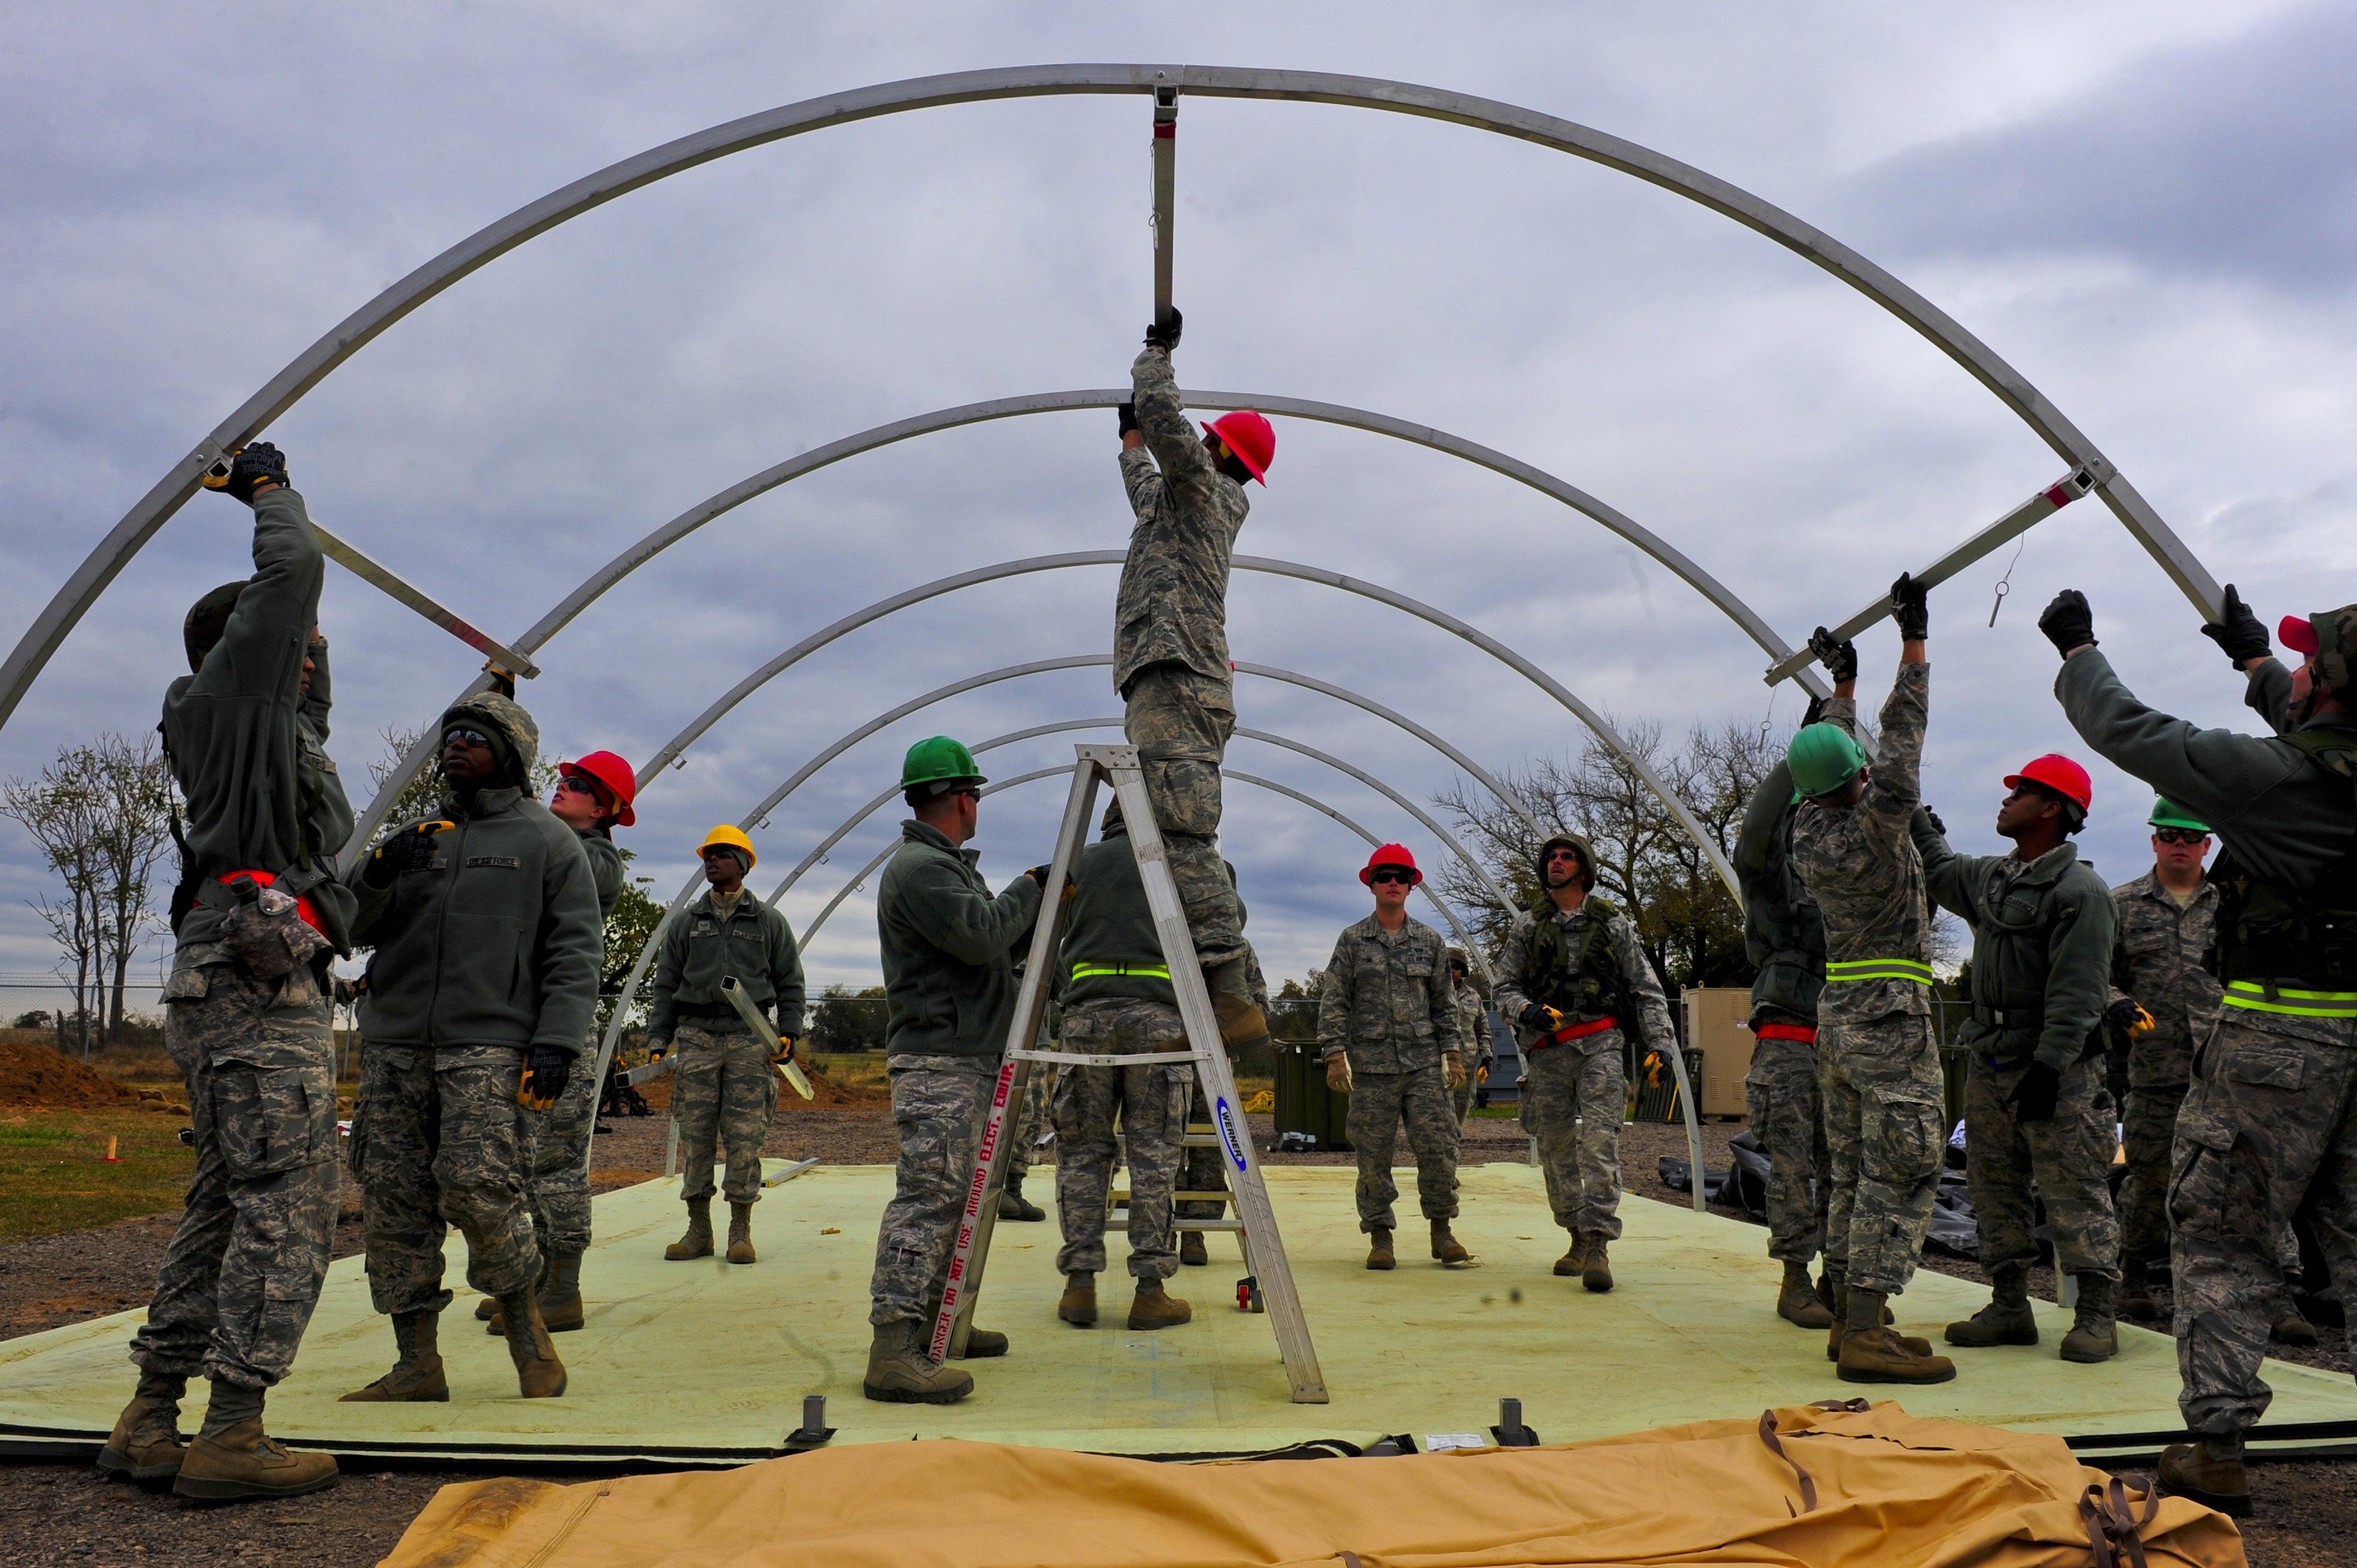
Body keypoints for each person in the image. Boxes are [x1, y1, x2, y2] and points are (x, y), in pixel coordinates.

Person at [2035, 584, 2357, 1515]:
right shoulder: (2311, 754)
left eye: (2309, 662)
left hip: (2276, 1040)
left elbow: (2126, 728)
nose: (2293, 673)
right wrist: (2253, 662)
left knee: (2224, 1234)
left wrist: (2077, 649)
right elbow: (2317, 713)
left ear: (2327, 685)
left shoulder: (2267, 783)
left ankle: (2216, 1446)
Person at [106, 443, 347, 1499]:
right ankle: (235, 1432)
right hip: (254, 987)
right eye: (298, 654)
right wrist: (267, 490)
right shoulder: (229, 696)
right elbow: (291, 577)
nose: (306, 661)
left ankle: (152, 1417)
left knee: (224, 1194)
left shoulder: (257, 735)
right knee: (291, 1201)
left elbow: (311, 728)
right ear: (247, 652)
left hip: (226, 972)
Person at [338, 694, 602, 1404]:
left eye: (474, 737)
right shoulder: (416, 837)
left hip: (487, 1050)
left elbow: (575, 953)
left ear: (510, 753)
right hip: (396, 1049)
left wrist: (556, 1042)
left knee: (481, 1195)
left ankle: (527, 1334)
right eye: (449, 735)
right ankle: (416, 1363)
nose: (454, 746)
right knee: (393, 1203)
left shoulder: (549, 843)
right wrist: (379, 869)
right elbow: (351, 926)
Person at [1785, 575, 1955, 1385]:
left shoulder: (1808, 829)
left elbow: (1843, 752)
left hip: (1841, 1017)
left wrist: (1841, 687)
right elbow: (1901, 743)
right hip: (1893, 1017)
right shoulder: (1882, 828)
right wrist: (1912, 645)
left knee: (1853, 1169)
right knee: (1904, 1165)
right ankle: (1863, 1334)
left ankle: (1859, 1317)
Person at [1915, 755, 2123, 1364]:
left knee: (2073, 1188)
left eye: (2021, 793)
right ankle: (2008, 1304)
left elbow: (2080, 990)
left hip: (2054, 1069)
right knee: (1992, 1185)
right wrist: (1917, 823)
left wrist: (2051, 1067)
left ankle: (2094, 1314)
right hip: (1993, 1062)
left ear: (2052, 808)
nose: (2006, 802)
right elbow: (1941, 871)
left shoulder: (2080, 893)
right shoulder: (1996, 879)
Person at [862, 737, 1049, 1404]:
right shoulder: (921, 870)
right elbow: (977, 934)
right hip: (939, 1062)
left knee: (957, 1199)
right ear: (961, 798)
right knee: (930, 1200)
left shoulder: (943, 867)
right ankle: (893, 1349)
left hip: (963, 1056)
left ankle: (937, 1332)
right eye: (975, 793)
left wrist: (1030, 913)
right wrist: (1030, 889)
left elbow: (985, 949)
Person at [1115, 307, 1276, 1051]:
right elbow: (1144, 491)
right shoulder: (1182, 503)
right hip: (1165, 672)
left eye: (1206, 440)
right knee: (1140, 826)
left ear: (1216, 450)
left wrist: (1157, 355)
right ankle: (1200, 972)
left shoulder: (1207, 492)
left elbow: (1161, 410)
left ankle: (1231, 980)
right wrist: (1129, 443)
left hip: (1180, 675)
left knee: (1180, 830)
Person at [477, 750, 634, 1337]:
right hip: (517, 1018)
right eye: (561, 781)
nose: (560, 790)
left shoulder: (595, 862)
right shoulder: (547, 845)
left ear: (603, 808)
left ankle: (563, 1289)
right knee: (514, 1156)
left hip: (560, 1027)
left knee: (558, 1159)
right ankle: (534, 1276)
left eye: (576, 786)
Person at [1493, 834, 1673, 1293]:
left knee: (1599, 1142)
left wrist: (1661, 1045)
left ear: (1584, 869)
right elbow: (1503, 986)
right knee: (1554, 1147)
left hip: (1601, 1045)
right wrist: (1524, 1010)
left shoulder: (1614, 924)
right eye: (1551, 857)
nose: (1556, 862)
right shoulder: (1528, 926)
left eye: (1566, 857)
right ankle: (1574, 1233)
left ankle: (1597, 1242)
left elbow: (1645, 988)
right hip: (1548, 1050)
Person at [1051, 797, 1197, 1331]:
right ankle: (1150, 1291)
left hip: (1085, 1020)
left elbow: (1046, 926)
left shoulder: (1079, 863)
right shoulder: (1177, 866)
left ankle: (1080, 1285)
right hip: (1156, 1023)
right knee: (1155, 1154)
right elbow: (1229, 916)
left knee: (1083, 1152)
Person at [644, 824, 806, 1266]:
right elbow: (666, 983)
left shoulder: (768, 922)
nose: (711, 861)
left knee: (744, 1136)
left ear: (744, 864)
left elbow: (790, 981)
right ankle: (699, 1231)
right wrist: (659, 1038)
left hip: (749, 1039)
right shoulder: (687, 924)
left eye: (722, 854)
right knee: (695, 1137)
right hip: (697, 1036)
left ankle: (741, 1229)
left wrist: (789, 1031)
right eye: (708, 855)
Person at [1317, 845, 1470, 1271]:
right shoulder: (1352, 940)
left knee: (1439, 1148)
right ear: (1372, 883)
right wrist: (1334, 1055)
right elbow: (1334, 1002)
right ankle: (1380, 1237)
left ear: (1411, 885)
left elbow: (1445, 1004)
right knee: (1372, 1155)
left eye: (1401, 877)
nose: (1393, 883)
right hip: (1370, 1068)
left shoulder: (1430, 941)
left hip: (1423, 1066)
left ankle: (1443, 1231)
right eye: (1385, 876)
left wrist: (1453, 1055)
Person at [1732, 719, 1835, 1330]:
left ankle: (1839, 1277)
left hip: (1850, 1045)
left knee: (1849, 1168)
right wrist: (1797, 763)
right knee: (1794, 1168)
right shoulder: (1773, 884)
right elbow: (1752, 842)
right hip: (1791, 1042)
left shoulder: (1851, 874)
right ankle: (1794, 1278)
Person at [1445, 947, 1493, 1124]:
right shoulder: (1430, 994)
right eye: (1448, 966)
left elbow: (1482, 1030)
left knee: (1460, 1113)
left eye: (1456, 967)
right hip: (1436, 1065)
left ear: (1463, 971)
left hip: (1466, 1065)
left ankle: (1453, 1149)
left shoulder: (1473, 997)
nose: (1452, 971)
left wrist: (1487, 1058)